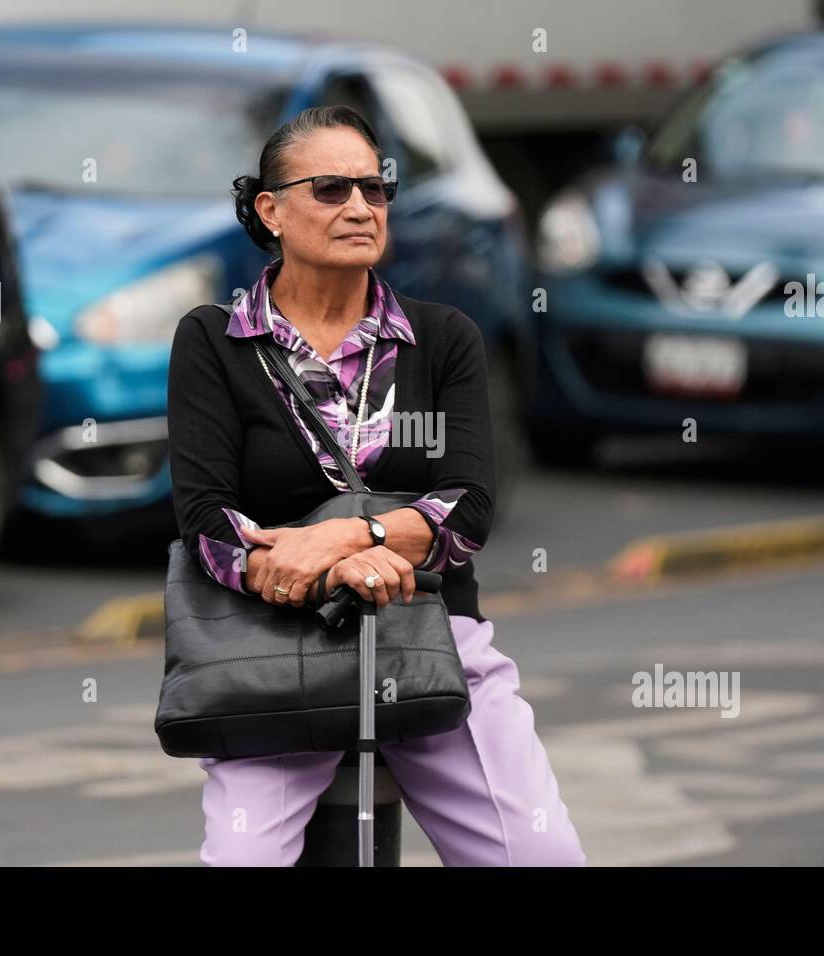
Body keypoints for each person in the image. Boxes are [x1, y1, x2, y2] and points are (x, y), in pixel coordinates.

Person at [167, 105, 586, 866]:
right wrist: (313, 569)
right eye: (330, 188)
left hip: (429, 633)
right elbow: (207, 517)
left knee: (543, 857)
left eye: (375, 187)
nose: (360, 207)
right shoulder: (211, 339)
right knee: (243, 863)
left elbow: (467, 507)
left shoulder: (443, 336)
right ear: (271, 210)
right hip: (270, 647)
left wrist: (350, 537)